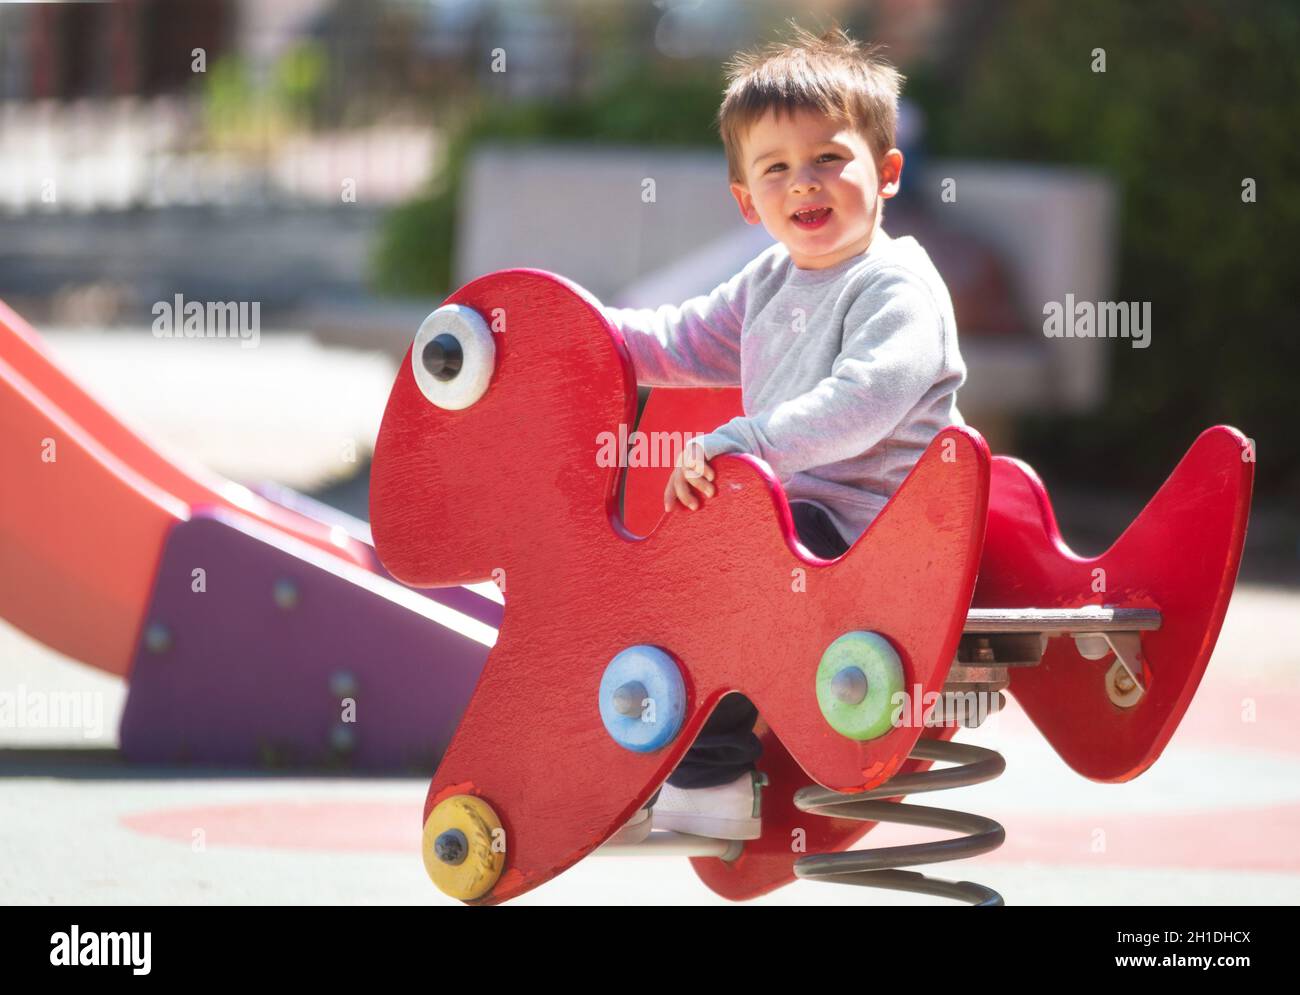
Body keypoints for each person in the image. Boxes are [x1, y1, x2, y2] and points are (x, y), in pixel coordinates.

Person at [601, 20, 967, 843]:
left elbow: (864, 399)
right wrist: (585, 338)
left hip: (879, 534)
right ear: (747, 201)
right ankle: (661, 757)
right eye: (777, 168)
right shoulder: (770, 279)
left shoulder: (896, 287)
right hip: (798, 522)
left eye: (830, 158)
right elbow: (676, 339)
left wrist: (747, 443)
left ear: (888, 172)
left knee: (725, 569)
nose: (806, 182)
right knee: (676, 569)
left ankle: (710, 778)